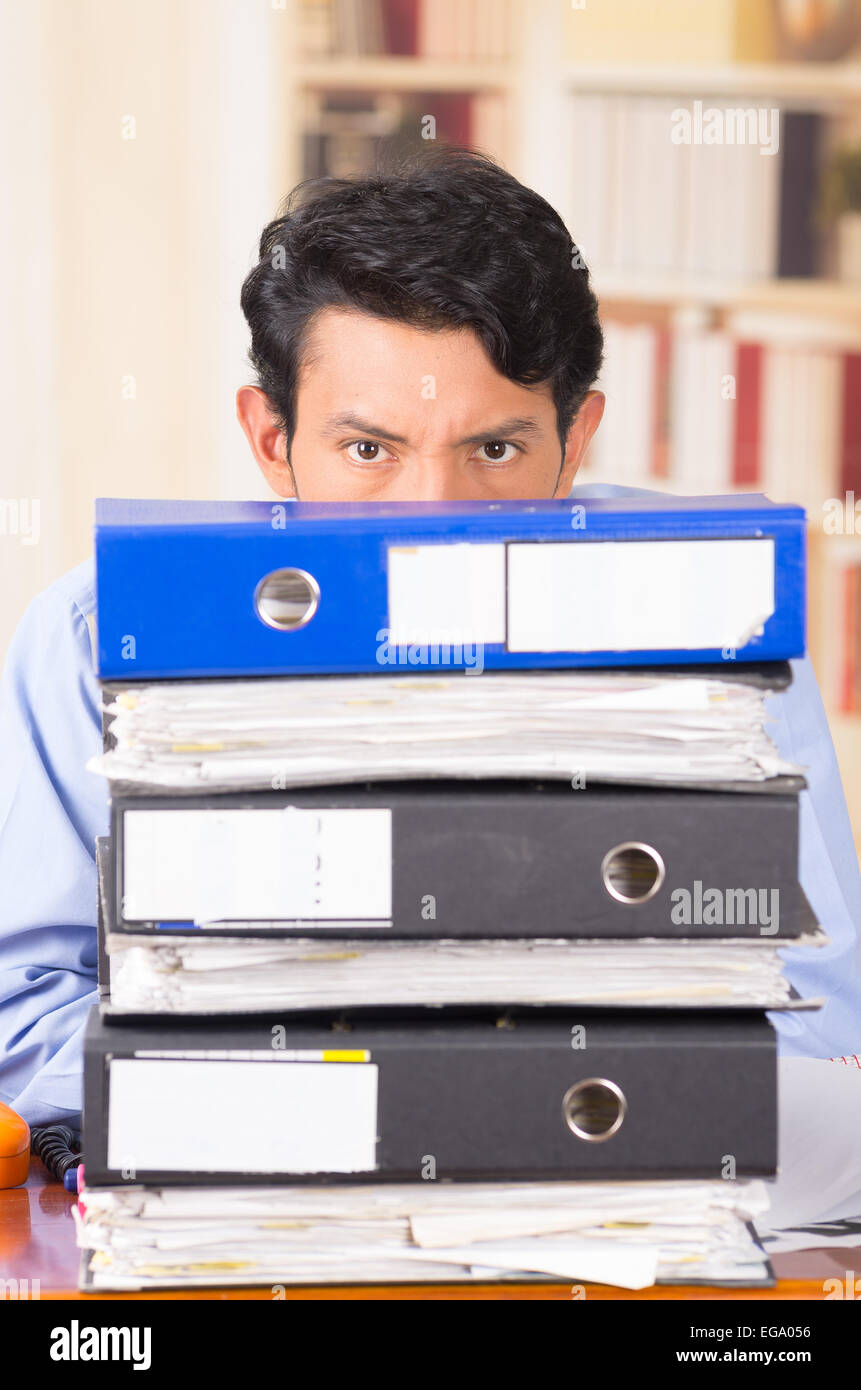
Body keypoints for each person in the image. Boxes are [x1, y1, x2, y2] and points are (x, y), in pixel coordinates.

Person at [1, 147, 859, 1127]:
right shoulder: (94, 640)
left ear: (574, 442)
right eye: (369, 450)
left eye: (493, 449)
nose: (432, 522)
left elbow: (817, 1021)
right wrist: (363, 1080)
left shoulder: (716, 612)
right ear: (273, 440)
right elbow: (21, 1028)